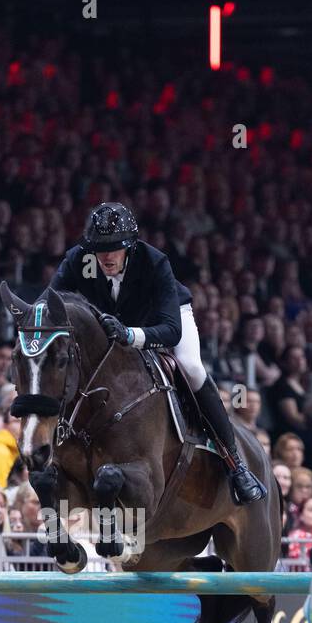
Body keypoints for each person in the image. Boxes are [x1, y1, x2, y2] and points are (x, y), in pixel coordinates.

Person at [49, 201, 264, 503]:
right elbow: (51, 305)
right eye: (100, 248)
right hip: (111, 324)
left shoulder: (154, 261)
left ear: (131, 246)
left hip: (162, 319)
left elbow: (171, 330)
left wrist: (129, 334)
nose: (106, 256)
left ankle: (234, 463)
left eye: (114, 247)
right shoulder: (77, 259)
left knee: (190, 366)